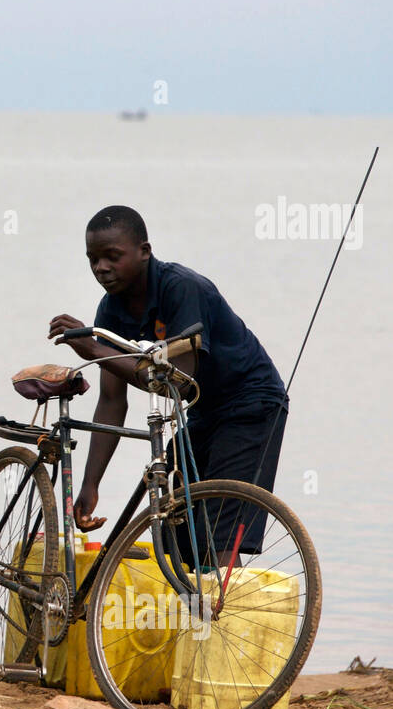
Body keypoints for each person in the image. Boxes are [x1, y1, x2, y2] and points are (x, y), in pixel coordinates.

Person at [47, 205, 287, 562]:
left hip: (252, 401)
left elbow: (180, 383)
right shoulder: (110, 311)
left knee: (218, 526)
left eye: (113, 256)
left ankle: (221, 610)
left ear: (144, 251)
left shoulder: (182, 289)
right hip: (206, 411)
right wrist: (90, 484)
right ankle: (188, 607)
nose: (101, 268)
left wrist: (95, 349)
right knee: (175, 516)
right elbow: (112, 402)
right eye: (93, 259)